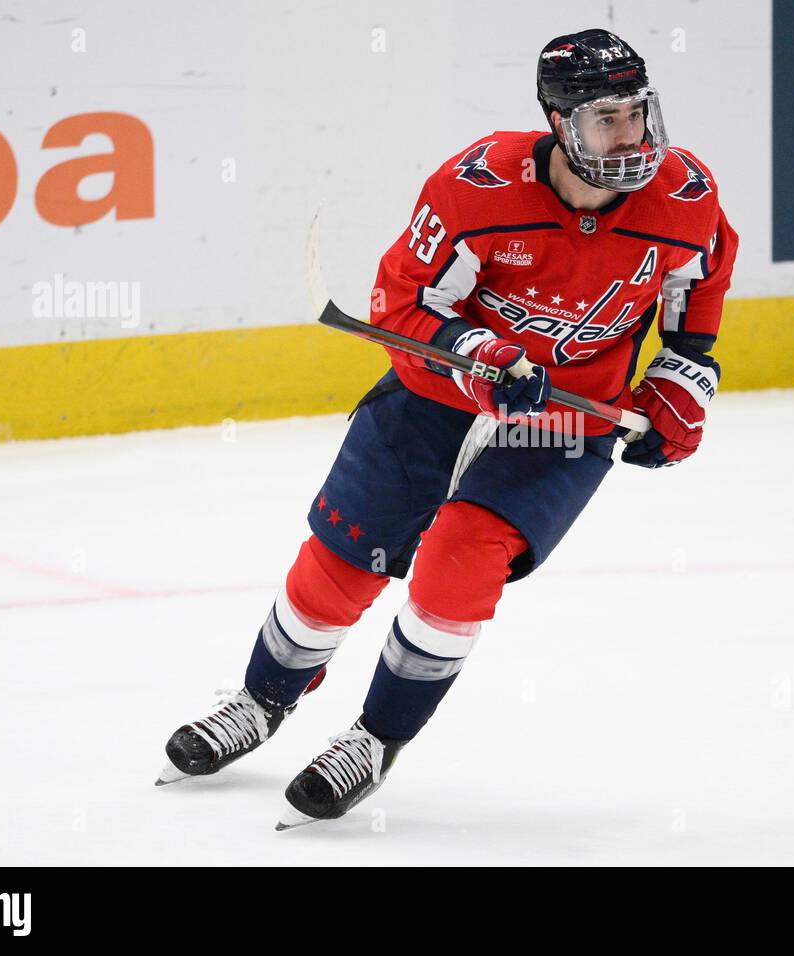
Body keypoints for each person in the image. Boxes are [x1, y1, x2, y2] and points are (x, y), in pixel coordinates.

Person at [156, 27, 738, 829]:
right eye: (606, 119)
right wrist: (477, 355)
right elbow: (403, 305)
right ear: (559, 122)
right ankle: (260, 702)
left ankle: (374, 737)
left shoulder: (687, 196)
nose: (630, 138)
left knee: (461, 562)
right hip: (437, 392)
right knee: (344, 556)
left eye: (637, 114)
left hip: (568, 416)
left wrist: (682, 375)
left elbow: (696, 290)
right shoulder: (478, 187)